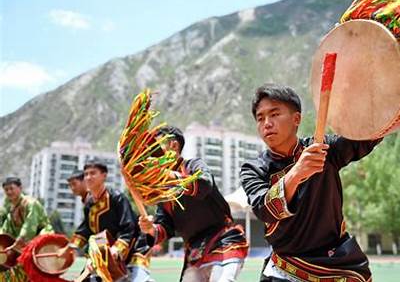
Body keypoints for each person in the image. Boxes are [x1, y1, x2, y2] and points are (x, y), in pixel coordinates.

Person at [240, 84, 382, 282]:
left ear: (296, 119)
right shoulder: (253, 168)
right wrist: (297, 172)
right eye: (260, 118)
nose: (267, 123)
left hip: (337, 266)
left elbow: (366, 136)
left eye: (274, 114)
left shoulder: (325, 149)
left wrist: (393, 102)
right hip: (287, 270)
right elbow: (263, 209)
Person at [139, 125, 248, 282]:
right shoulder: (162, 192)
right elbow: (165, 226)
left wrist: (170, 176)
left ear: (173, 145)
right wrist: (150, 229)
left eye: (155, 148)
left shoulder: (193, 166)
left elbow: (205, 184)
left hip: (223, 239)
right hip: (195, 250)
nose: (151, 156)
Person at [69, 160, 152, 282]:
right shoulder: (89, 205)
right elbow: (86, 230)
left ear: (104, 176)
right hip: (106, 251)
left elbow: (129, 228)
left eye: (93, 173)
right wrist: (71, 247)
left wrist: (117, 249)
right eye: (86, 174)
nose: (88, 177)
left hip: (134, 249)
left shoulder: (117, 198)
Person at [0, 177, 53, 251]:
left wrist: (21, 239)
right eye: (6, 190)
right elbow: (6, 229)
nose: (9, 192)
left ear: (20, 188)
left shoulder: (30, 203)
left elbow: (30, 225)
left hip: (41, 236)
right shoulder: (12, 209)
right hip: (22, 241)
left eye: (11, 188)